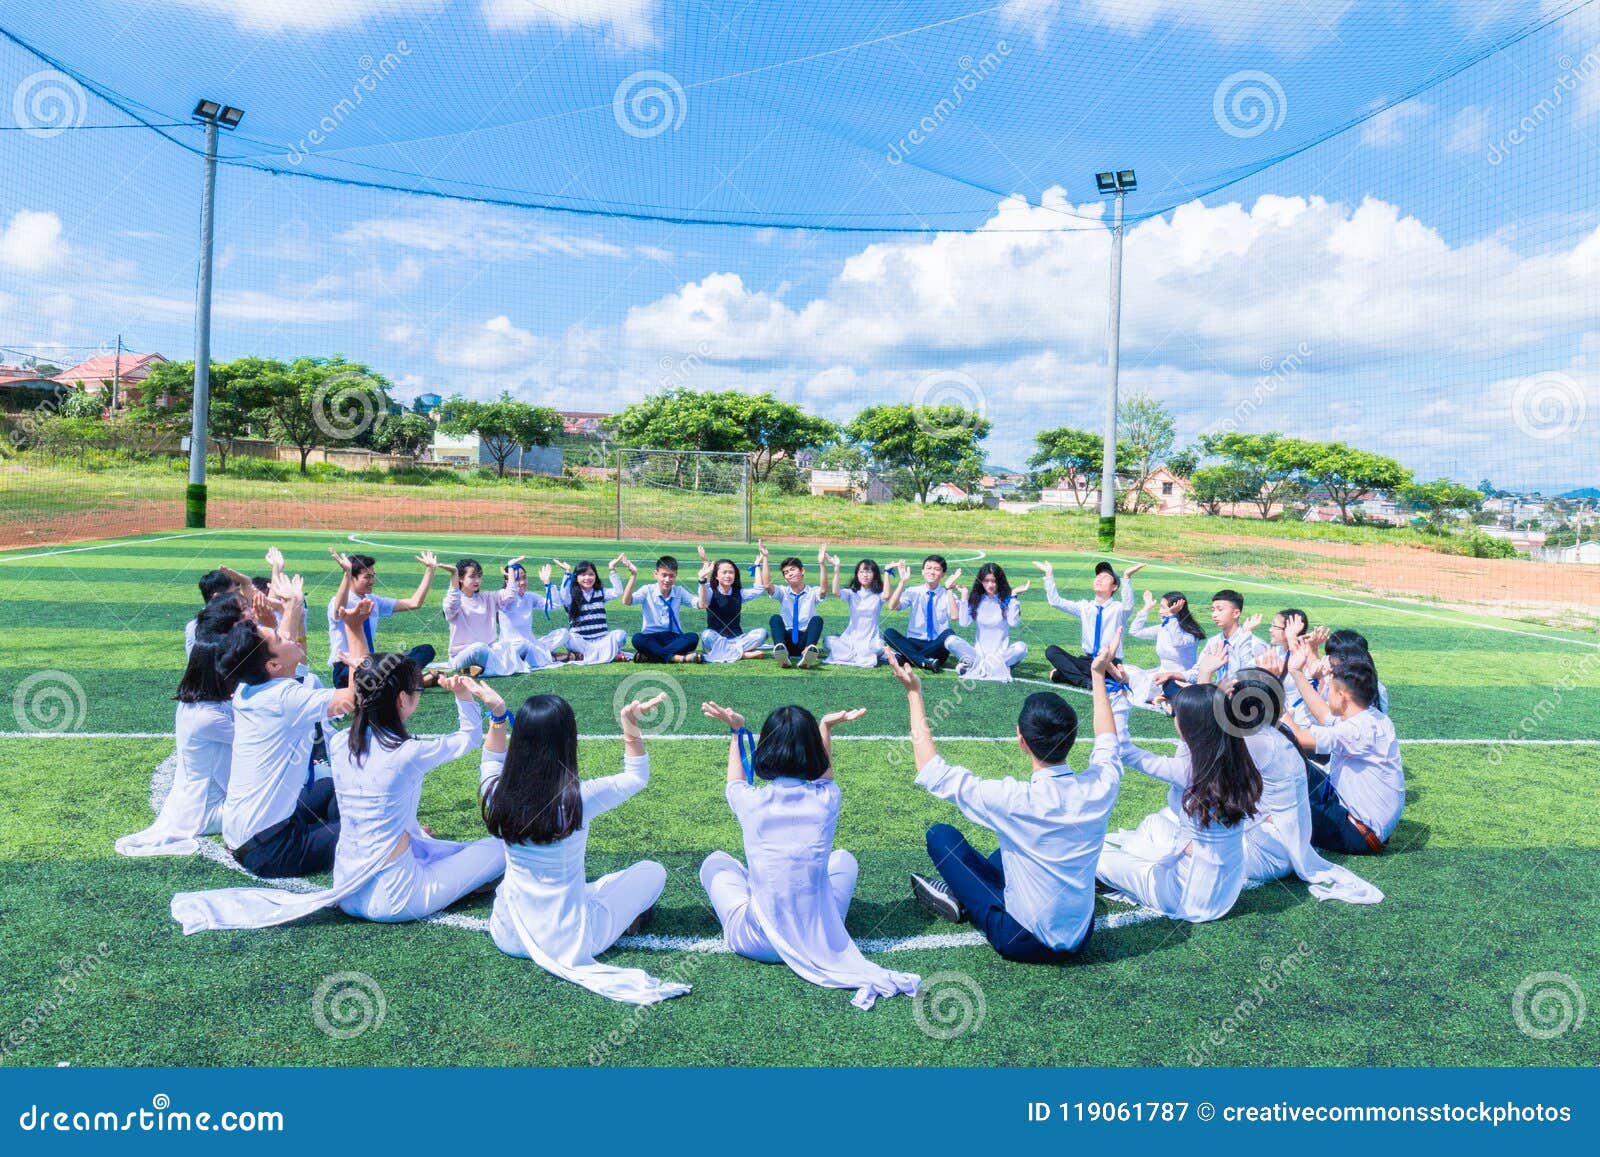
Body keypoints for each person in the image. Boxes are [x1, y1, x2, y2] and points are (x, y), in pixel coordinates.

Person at [170, 667, 506, 932]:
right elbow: (469, 738)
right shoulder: (408, 752)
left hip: (347, 890)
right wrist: (466, 698)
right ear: (403, 700)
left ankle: (467, 880)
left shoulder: (340, 742)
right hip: (397, 899)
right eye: (416, 690)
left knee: (438, 849)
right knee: (499, 849)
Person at [898, 635, 1122, 964]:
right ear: (1073, 739)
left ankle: (963, 901)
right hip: (1082, 934)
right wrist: (1099, 676)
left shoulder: (1014, 799)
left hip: (1021, 940)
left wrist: (914, 694)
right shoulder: (1101, 786)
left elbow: (931, 770)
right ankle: (971, 896)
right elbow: (1107, 741)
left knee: (940, 836)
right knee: (1012, 844)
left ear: (1021, 739)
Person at [699, 699, 919, 1008]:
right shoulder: (828, 798)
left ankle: (754, 887)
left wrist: (737, 730)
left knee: (716, 862)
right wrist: (825, 726)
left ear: (766, 747)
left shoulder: (749, 801)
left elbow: (734, 780)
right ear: (813, 750)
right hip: (822, 937)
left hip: (756, 941)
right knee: (844, 859)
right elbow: (824, 776)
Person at [483, 690, 691, 1005]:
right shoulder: (577, 798)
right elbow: (636, 777)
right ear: (567, 740)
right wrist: (628, 722)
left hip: (507, 932)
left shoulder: (496, 793)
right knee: (652, 871)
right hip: (571, 939)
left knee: (596, 886)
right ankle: (626, 918)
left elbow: (491, 760)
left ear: (520, 738)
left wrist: (498, 716)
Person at [214, 590, 363, 879]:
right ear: (272, 665)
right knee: (378, 829)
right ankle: (353, 835)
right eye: (280, 638)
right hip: (273, 850)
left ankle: (341, 831)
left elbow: (281, 646)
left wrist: (292, 607)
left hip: (246, 835)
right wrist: (354, 629)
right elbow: (355, 699)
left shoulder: (248, 685)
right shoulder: (285, 697)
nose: (289, 636)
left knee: (336, 787)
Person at [1094, 680, 1264, 923]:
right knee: (1153, 823)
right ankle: (1139, 866)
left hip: (1186, 894)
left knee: (1098, 858)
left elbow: (1122, 749)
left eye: (1176, 714)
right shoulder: (1239, 759)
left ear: (1189, 726)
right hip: (1226, 889)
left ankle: (1132, 872)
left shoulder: (1186, 770)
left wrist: (1120, 696)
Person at [1230, 669, 1384, 904]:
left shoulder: (1251, 742)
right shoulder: (1277, 734)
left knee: (1165, 830)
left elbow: (1196, 742)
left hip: (1269, 853)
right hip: (1289, 843)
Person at [117, 636, 238, 858]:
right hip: (206, 811)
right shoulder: (207, 717)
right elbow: (254, 739)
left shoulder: (193, 704)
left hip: (195, 802)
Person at [1281, 638, 1404, 855]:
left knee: (1281, 779)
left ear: (1342, 695)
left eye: (1329, 688)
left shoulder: (1357, 731)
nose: (1326, 693)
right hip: (1358, 822)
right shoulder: (1370, 718)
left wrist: (1268, 691)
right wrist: (1296, 673)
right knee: (1294, 768)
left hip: (1357, 833)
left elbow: (1298, 736)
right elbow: (1323, 714)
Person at [327, 548, 441, 689]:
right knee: (382, 673)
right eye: (367, 577)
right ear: (352, 578)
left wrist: (430, 570)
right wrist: (346, 573)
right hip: (345, 669)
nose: (372, 581)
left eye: (373, 576)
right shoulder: (339, 601)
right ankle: (409, 681)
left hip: (371, 665)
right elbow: (339, 610)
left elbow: (414, 603)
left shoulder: (373, 600)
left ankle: (401, 681)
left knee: (425, 650)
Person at [1039, 559, 1145, 688]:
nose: (1099, 579)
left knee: (1058, 674)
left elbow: (1128, 605)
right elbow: (1055, 602)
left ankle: (1071, 676)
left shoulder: (1118, 609)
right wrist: (1049, 574)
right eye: (1098, 576)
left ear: (1114, 587)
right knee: (1052, 651)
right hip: (1088, 661)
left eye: (1105, 577)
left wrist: (1127, 577)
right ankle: (1087, 682)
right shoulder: (1085, 606)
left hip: (1110, 663)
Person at [1153, 589, 1265, 693]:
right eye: (1213, 610)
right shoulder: (1214, 641)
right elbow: (1197, 673)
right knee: (1170, 684)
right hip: (1215, 692)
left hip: (1239, 698)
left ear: (1236, 613)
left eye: (1220, 610)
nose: (1214, 614)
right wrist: (1170, 674)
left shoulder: (1253, 643)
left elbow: (1252, 682)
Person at [945, 562, 1029, 682]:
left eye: (994, 581)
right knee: (950, 641)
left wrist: (1014, 596)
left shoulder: (1006, 599)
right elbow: (964, 623)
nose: (990, 585)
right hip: (978, 655)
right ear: (981, 581)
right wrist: (964, 596)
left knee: (1022, 648)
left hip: (1000, 655)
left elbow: (1013, 623)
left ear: (999, 581)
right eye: (986, 581)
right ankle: (993, 668)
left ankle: (978, 668)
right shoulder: (976, 599)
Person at [441, 558, 525, 676]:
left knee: (515, 644)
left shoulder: (487, 597)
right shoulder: (455, 602)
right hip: (461, 655)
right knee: (479, 648)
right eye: (472, 576)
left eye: (479, 576)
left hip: (489, 650)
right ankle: (489, 667)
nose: (477, 580)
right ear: (460, 578)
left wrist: (511, 567)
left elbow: (510, 594)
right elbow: (452, 602)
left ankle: (476, 668)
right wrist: (454, 574)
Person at [1127, 589, 1206, 705]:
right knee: (1131, 676)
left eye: (1163, 608)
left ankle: (1166, 698)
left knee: (1181, 700)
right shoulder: (1164, 628)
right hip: (1160, 675)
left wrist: (1172, 617)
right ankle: (1163, 697)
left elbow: (1177, 642)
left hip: (1182, 679)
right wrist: (1147, 607)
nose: (1159, 611)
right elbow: (1134, 631)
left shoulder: (1191, 634)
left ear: (1176, 609)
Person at [882, 555, 959, 672]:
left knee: (949, 633)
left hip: (937, 646)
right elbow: (892, 606)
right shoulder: (913, 591)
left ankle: (907, 657)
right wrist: (902, 582)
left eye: (936, 569)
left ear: (943, 574)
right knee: (889, 633)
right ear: (923, 572)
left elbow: (954, 616)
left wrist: (949, 589)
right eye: (928, 568)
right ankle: (925, 662)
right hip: (914, 642)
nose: (932, 572)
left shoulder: (947, 594)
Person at [694, 546, 770, 663]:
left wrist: (757, 565)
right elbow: (702, 603)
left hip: (738, 639)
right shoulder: (709, 591)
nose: (728, 575)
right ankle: (743, 654)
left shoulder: (738, 593)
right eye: (724, 572)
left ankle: (724, 652)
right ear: (716, 576)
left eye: (731, 572)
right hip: (716, 638)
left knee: (762, 633)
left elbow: (759, 589)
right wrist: (703, 577)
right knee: (706, 635)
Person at [555, 556, 634, 664]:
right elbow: (563, 596)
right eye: (583, 575)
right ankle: (610, 655)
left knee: (621, 635)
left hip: (602, 639)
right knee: (570, 638)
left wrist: (612, 569)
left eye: (591, 574)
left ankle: (584, 656)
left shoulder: (601, 592)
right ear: (576, 577)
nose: (587, 578)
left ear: (595, 576)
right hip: (581, 641)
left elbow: (618, 591)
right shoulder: (572, 596)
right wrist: (567, 572)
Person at [497, 560, 571, 670]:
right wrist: (511, 584)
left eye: (524, 578)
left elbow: (554, 605)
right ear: (509, 581)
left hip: (532, 644)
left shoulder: (529, 597)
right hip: (514, 646)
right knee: (524, 646)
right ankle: (555, 657)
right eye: (517, 579)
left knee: (563, 633)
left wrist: (547, 583)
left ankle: (543, 656)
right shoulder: (504, 597)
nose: (522, 582)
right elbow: (507, 596)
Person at [627, 555, 701, 663]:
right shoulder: (647, 590)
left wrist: (702, 581)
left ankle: (651, 656)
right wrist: (633, 575)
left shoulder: (679, 591)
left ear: (676, 575)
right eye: (664, 575)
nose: (667, 579)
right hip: (650, 637)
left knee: (693, 638)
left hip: (673, 637)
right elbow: (627, 601)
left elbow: (700, 604)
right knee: (637, 639)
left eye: (671, 576)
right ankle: (677, 658)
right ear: (656, 574)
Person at [764, 547, 830, 668]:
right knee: (775, 618)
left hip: (805, 638)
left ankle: (807, 653)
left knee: (817, 620)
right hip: (787, 639)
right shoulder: (783, 592)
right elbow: (768, 585)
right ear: (785, 578)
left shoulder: (812, 592)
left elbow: (824, 589)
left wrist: (822, 564)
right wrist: (765, 558)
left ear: (802, 571)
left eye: (792, 569)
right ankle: (782, 652)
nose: (790, 573)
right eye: (786, 572)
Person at [824, 558, 888, 668]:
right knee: (827, 641)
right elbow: (835, 591)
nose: (865, 575)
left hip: (870, 639)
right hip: (851, 639)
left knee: (880, 646)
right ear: (857, 575)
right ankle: (856, 653)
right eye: (861, 572)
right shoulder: (852, 593)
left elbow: (887, 595)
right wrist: (837, 567)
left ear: (875, 575)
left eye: (868, 572)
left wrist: (886, 573)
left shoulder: (878, 594)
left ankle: (855, 655)